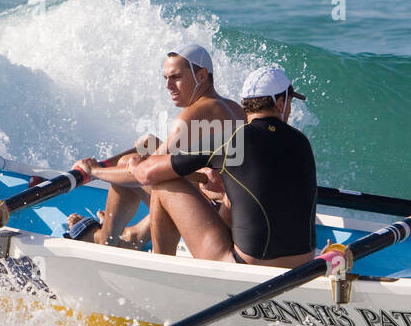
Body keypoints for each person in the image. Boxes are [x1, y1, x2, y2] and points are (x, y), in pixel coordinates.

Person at [94, 65, 317, 268]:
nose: (289, 110)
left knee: (164, 182)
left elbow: (147, 174)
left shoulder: (232, 140)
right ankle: (138, 235)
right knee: (232, 199)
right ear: (279, 103)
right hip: (302, 264)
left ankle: (161, 271)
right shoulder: (301, 142)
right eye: (290, 103)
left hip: (245, 266)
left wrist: (112, 167)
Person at [71, 45, 244, 249]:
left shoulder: (195, 114)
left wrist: (95, 171)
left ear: (203, 76)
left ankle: (106, 237)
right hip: (236, 211)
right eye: (166, 78)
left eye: (176, 77)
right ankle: (136, 235)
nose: (168, 86)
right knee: (146, 145)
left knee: (130, 165)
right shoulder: (234, 108)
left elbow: (146, 172)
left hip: (216, 218)